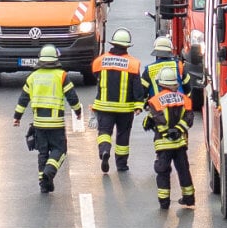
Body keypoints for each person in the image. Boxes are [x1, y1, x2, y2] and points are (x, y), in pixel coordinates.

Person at [13, 44, 83, 194]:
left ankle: (43, 184)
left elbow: (23, 99)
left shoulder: (32, 77)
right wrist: (77, 111)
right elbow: (72, 96)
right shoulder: (61, 75)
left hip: (39, 124)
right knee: (60, 150)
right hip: (56, 123)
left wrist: (17, 117)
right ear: (55, 59)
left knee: (43, 153)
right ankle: (49, 172)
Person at [91, 27, 146, 174]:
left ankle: (104, 150)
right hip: (125, 109)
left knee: (104, 132)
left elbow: (95, 76)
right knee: (123, 135)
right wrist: (139, 105)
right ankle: (121, 165)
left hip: (104, 107)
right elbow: (137, 87)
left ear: (113, 43)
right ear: (127, 46)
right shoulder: (133, 64)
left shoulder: (100, 60)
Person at [143, 65, 196, 209]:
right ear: (175, 84)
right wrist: (178, 130)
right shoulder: (184, 99)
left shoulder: (155, 101)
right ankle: (189, 198)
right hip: (180, 143)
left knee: (163, 171)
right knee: (183, 170)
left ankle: (164, 202)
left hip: (163, 144)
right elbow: (189, 118)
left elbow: (156, 120)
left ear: (160, 84)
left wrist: (165, 130)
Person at [141, 36, 188, 101]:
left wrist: (147, 103)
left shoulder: (149, 69)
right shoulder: (179, 65)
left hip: (157, 106)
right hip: (178, 104)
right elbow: (187, 87)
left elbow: (142, 91)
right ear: (170, 50)